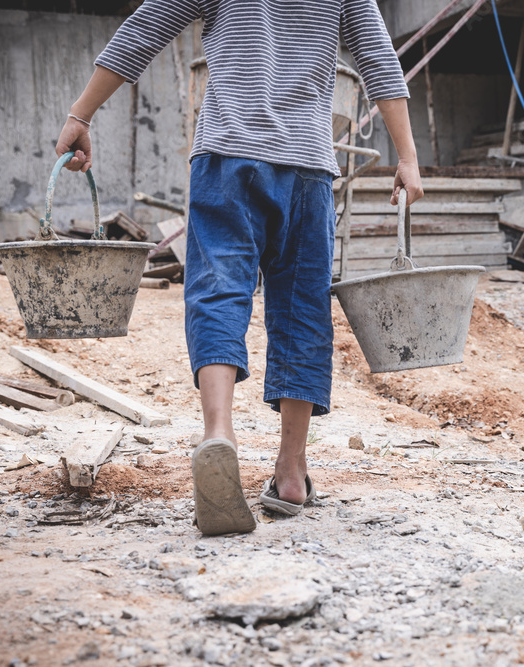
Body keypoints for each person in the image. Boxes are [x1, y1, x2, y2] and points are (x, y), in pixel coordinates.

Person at [55, 0, 423, 535]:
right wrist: (407, 157)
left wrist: (80, 114)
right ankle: (292, 471)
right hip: (307, 170)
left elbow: (145, 30)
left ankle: (219, 433)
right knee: (302, 309)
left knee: (219, 289)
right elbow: (378, 59)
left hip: (228, 155)